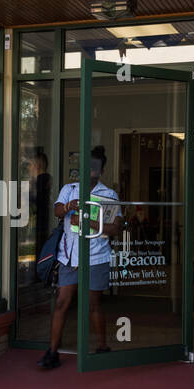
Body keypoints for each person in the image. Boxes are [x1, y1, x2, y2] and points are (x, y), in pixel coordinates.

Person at [39, 145, 124, 369]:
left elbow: (115, 228)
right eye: (89, 166)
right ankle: (52, 351)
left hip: (95, 256)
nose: (92, 171)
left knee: (93, 305)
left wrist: (90, 223)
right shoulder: (70, 188)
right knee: (61, 303)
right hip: (69, 256)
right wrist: (69, 206)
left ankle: (102, 347)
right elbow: (57, 211)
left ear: (101, 170)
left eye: (96, 167)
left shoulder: (108, 195)